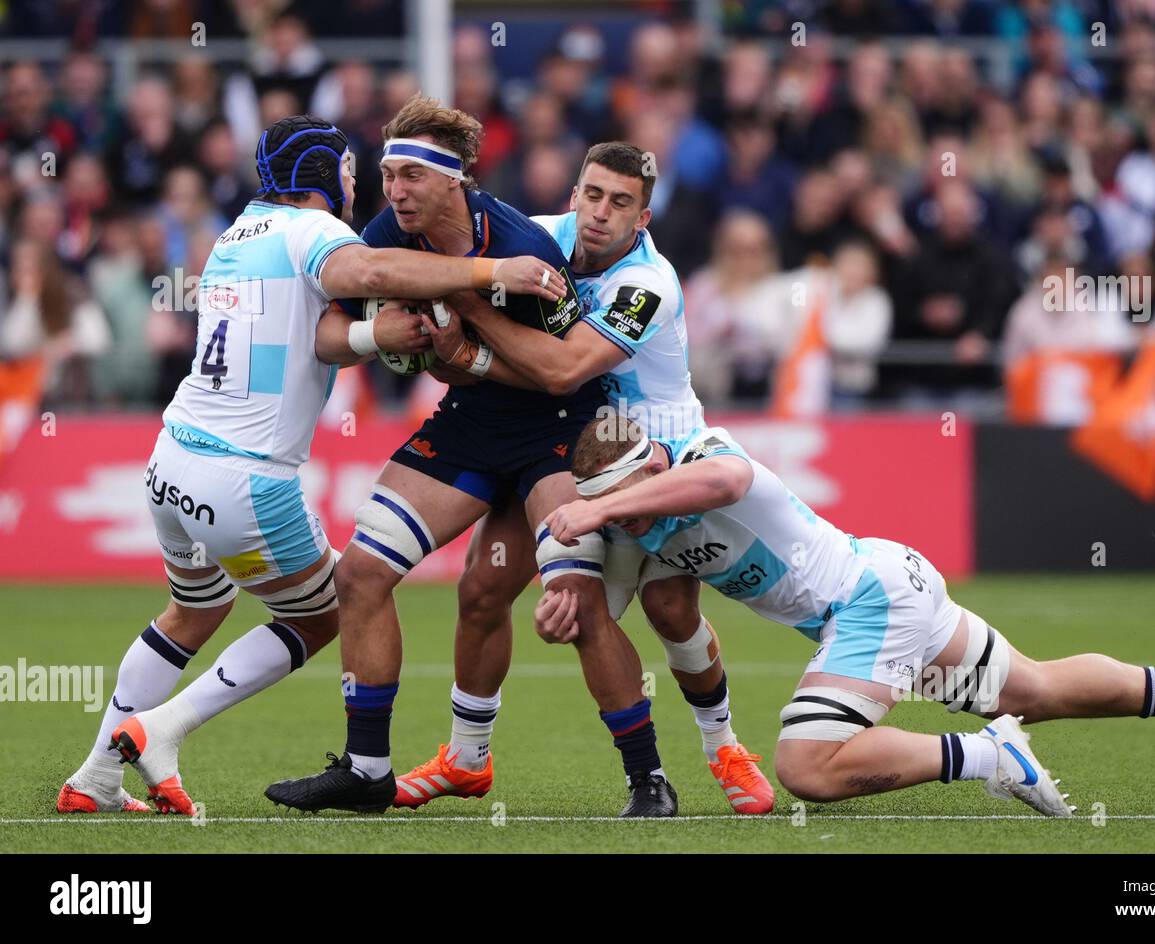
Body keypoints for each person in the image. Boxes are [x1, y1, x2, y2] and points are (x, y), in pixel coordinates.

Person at [57, 114, 562, 815]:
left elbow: (305, 333)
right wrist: (488, 271)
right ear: (323, 176)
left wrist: (367, 332)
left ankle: (95, 776)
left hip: (171, 462)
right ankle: (160, 731)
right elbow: (373, 268)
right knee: (325, 616)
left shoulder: (237, 233)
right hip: (244, 479)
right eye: (355, 172)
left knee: (192, 611)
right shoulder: (316, 230)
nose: (365, 186)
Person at [533, 415, 1155, 812]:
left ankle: (988, 756)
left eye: (618, 506)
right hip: (887, 589)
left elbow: (725, 483)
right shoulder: (634, 538)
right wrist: (564, 605)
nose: (615, 524)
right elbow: (607, 616)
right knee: (1039, 690)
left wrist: (603, 509)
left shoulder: (701, 453)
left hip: (872, 598)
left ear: (649, 472)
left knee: (806, 768)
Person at [263, 99, 678, 818]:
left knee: (574, 601)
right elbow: (329, 334)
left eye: (411, 177)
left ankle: (648, 777)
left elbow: (561, 373)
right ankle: (370, 771)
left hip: (556, 431)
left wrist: (468, 341)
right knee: (362, 573)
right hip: (472, 425)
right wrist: (381, 338)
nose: (394, 191)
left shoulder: (527, 248)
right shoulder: (389, 231)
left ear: (454, 181)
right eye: (387, 174)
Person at [397, 141, 774, 816]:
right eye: (593, 195)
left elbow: (564, 369)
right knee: (484, 589)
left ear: (644, 217)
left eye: (621, 202)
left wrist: (473, 316)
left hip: (652, 458)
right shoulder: (540, 239)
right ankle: (465, 757)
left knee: (670, 611)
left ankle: (720, 746)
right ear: (575, 194)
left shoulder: (647, 283)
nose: (601, 213)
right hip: (563, 447)